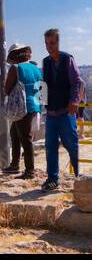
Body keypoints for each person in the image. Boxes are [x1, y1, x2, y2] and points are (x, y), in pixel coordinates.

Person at [41, 28, 84, 192]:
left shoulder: (68, 59)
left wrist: (75, 101)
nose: (49, 47)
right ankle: (52, 179)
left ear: (58, 42)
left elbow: (78, 83)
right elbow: (43, 84)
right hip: (51, 113)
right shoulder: (45, 62)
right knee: (50, 147)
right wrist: (42, 106)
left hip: (66, 112)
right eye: (46, 43)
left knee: (72, 145)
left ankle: (78, 177)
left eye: (52, 43)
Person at [3, 43, 42, 179]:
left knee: (25, 139)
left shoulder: (15, 68)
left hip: (21, 108)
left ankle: (29, 171)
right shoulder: (36, 68)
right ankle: (14, 165)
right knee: (14, 132)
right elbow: (43, 89)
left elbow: (7, 90)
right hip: (34, 105)